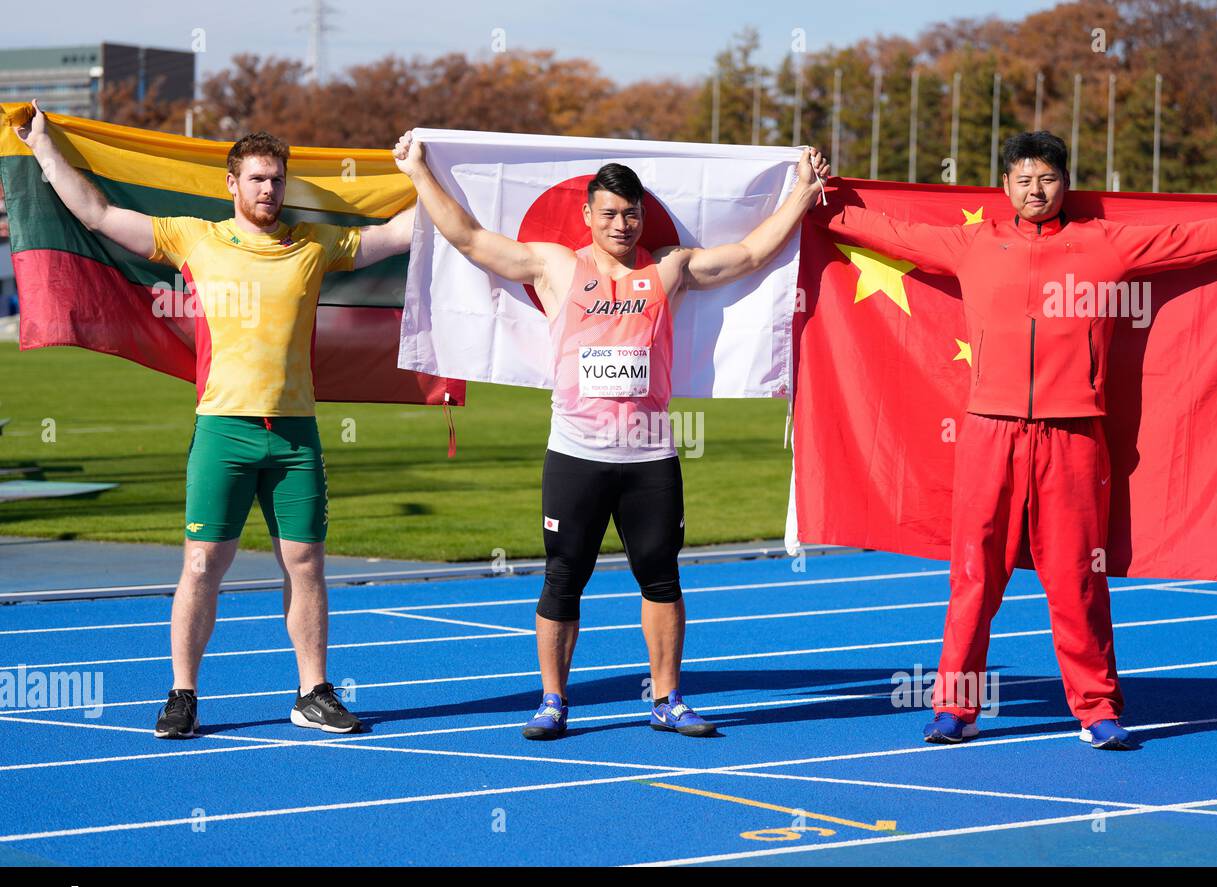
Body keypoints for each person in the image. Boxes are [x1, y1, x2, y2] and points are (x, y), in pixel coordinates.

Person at [842, 130, 1217, 749]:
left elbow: (1187, 240)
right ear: (1005, 187)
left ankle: (1097, 710)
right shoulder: (972, 242)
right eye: (1024, 179)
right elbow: (890, 232)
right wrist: (817, 205)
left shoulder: (1103, 245)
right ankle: (956, 706)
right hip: (989, 432)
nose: (1036, 190)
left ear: (1066, 184)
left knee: (1078, 578)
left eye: (1048, 178)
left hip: (1075, 437)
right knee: (973, 575)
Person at [393, 130, 829, 740]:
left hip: (650, 453)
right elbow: (467, 237)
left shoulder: (669, 266)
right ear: (588, 216)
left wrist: (803, 193)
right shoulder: (555, 265)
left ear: (643, 215)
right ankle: (552, 700)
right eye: (609, 214)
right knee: (564, 575)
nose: (621, 225)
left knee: (660, 576)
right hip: (576, 453)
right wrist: (418, 171)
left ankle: (669, 699)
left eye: (630, 214)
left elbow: (752, 254)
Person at [15, 101, 418, 739]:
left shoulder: (313, 245)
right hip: (222, 429)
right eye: (256, 178)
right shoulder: (192, 237)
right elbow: (97, 213)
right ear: (231, 184)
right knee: (203, 564)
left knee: (306, 562)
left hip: (293, 433)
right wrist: (42, 146)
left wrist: (428, 170)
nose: (268, 189)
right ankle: (183, 694)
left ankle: (313, 692)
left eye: (276, 179)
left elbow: (397, 235)